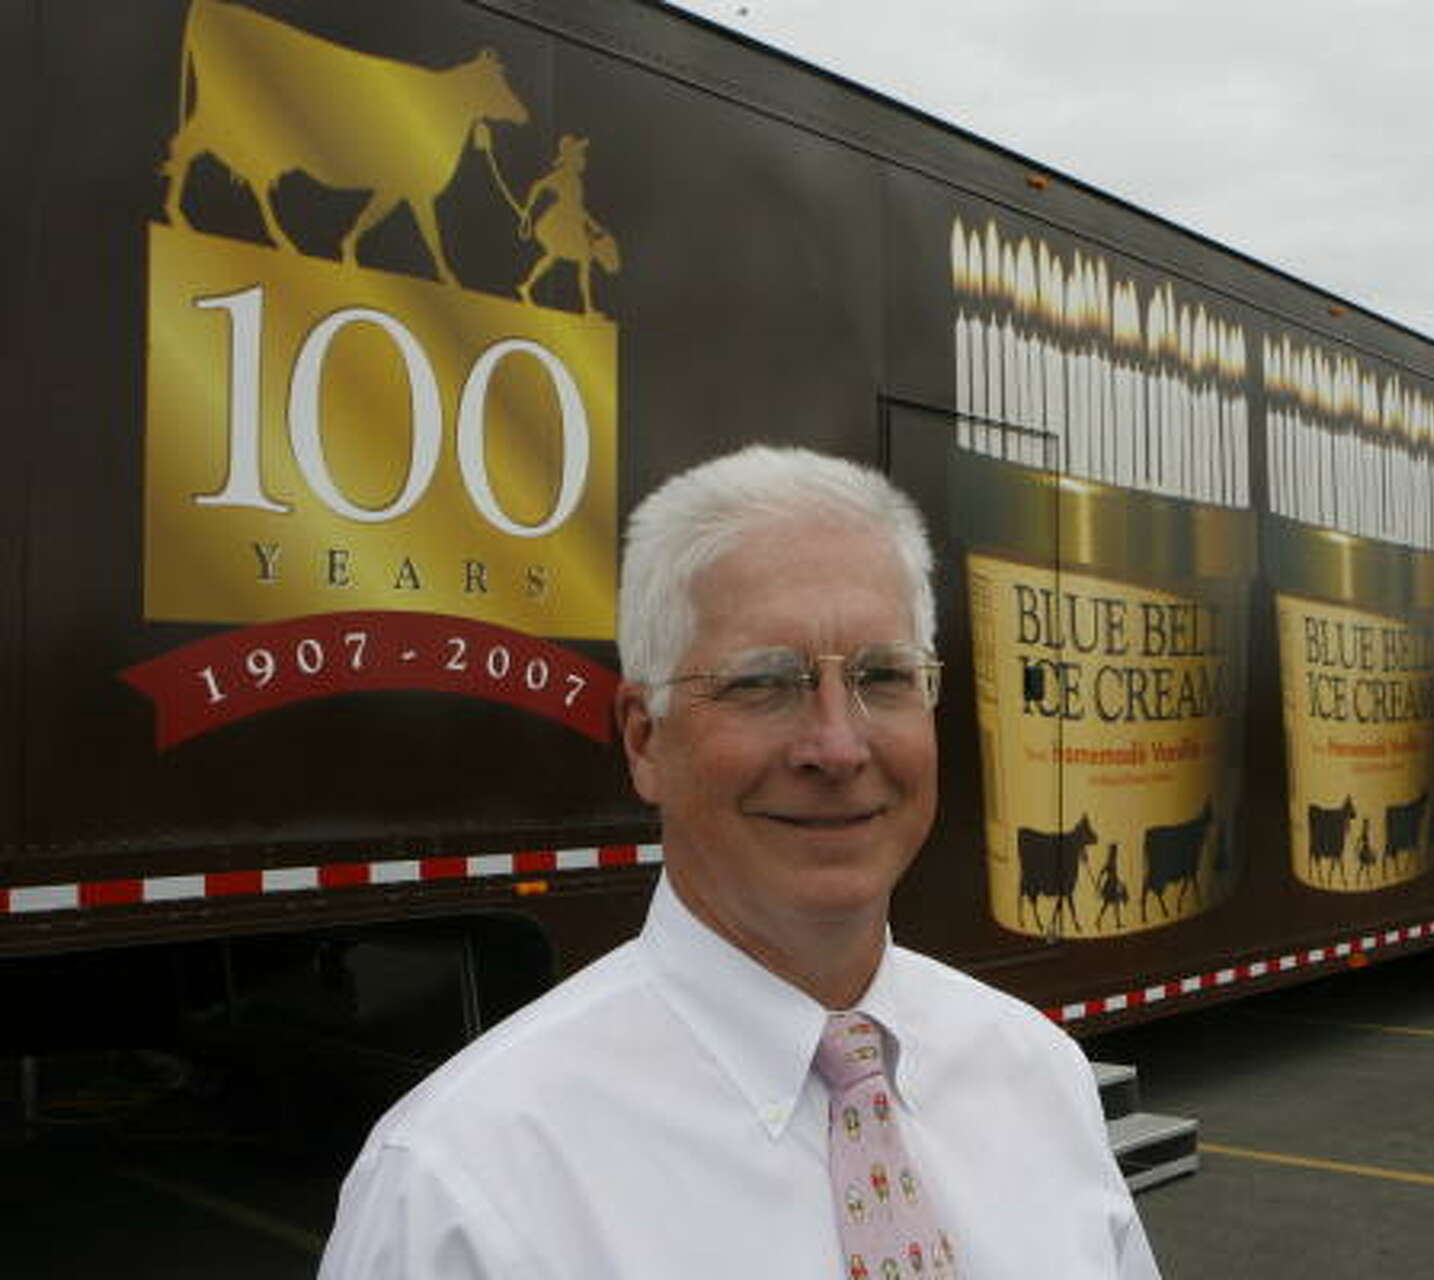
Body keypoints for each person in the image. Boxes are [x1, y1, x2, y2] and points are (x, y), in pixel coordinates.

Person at [319, 445, 1161, 1278]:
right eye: (763, 683)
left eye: (884, 674)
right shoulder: (461, 1185)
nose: (837, 745)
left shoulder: (1039, 1075)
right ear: (644, 740)